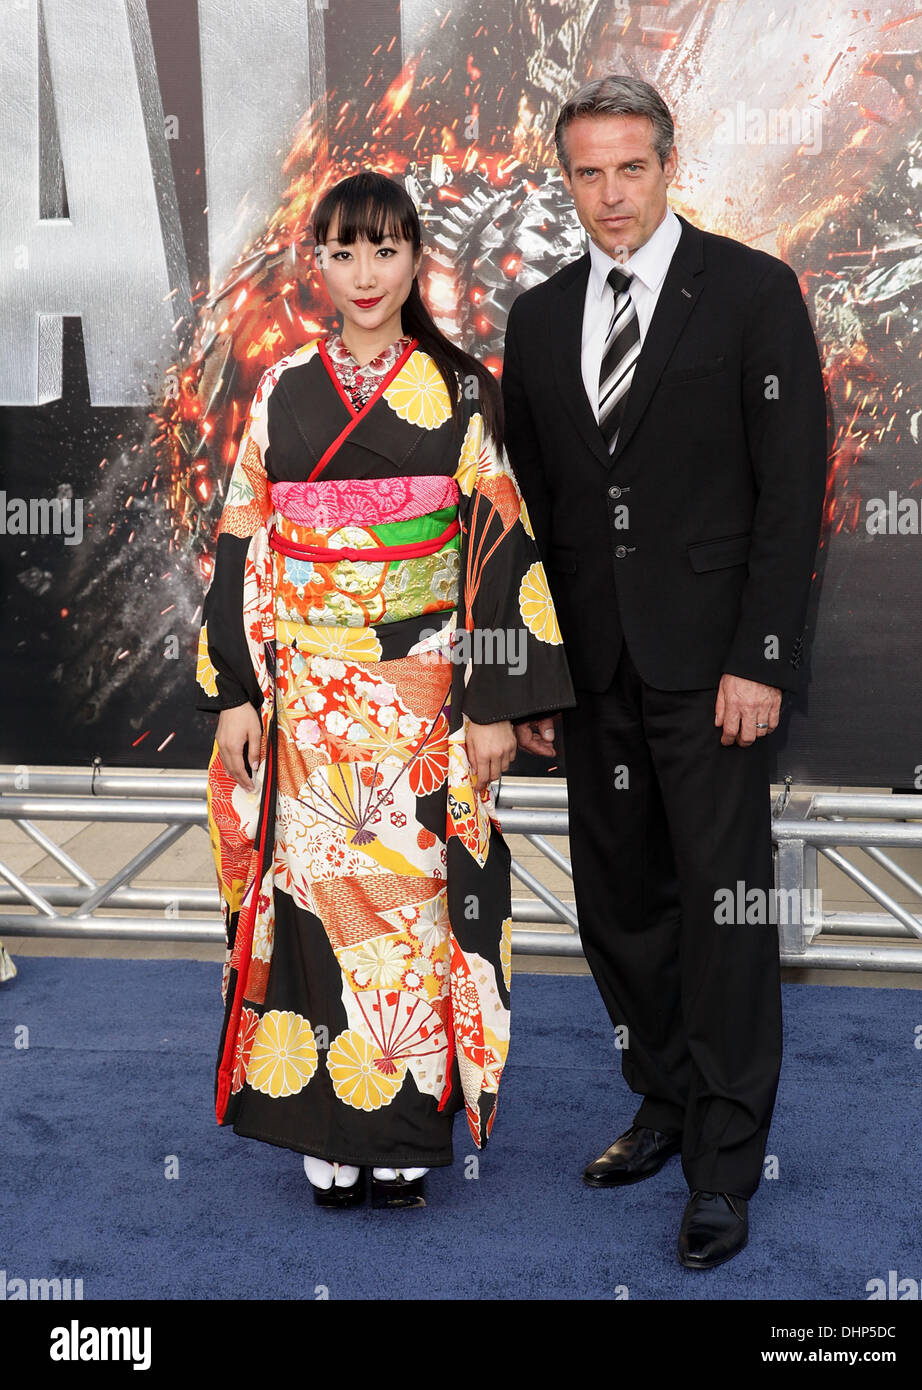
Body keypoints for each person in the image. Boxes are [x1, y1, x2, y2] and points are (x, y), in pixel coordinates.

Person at [195, 170, 575, 1210]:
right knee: (319, 906)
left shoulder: (461, 391)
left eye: (385, 250)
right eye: (343, 252)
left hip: (420, 696)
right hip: (312, 697)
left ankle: (403, 1128)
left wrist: (495, 701)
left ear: (417, 260)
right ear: (314, 263)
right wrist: (238, 689)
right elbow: (245, 536)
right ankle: (326, 1127)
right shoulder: (283, 389)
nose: (365, 274)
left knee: (411, 915)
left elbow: (501, 545)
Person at [503, 77, 827, 1267]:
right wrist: (536, 676)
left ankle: (726, 1160)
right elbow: (526, 511)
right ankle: (664, 1096)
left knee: (723, 909)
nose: (609, 195)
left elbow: (794, 493)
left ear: (667, 162)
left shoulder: (750, 292)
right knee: (621, 903)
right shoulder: (537, 320)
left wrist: (761, 656)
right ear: (567, 178)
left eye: (628, 169)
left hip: (714, 671)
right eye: (587, 173)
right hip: (594, 670)